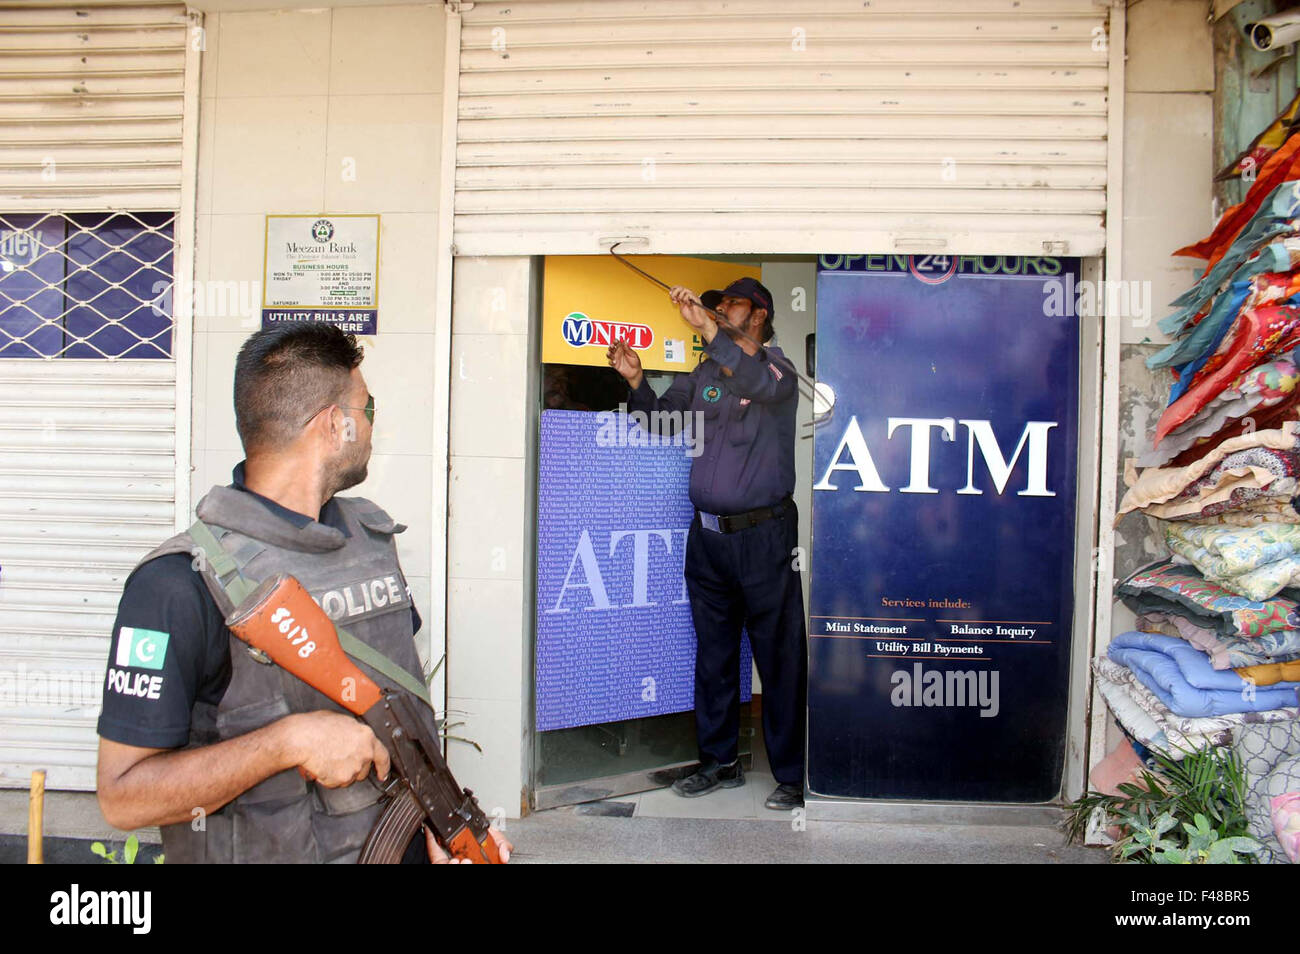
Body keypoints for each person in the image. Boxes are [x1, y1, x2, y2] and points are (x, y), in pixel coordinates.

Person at [95, 321, 510, 864]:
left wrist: (441, 828)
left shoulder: (371, 542)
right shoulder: (178, 583)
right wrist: (286, 742)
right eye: (367, 410)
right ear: (334, 424)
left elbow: (403, 714)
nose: (370, 428)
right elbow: (123, 797)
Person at [606, 277, 808, 809]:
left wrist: (705, 327)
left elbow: (760, 383)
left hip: (765, 539)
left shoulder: (778, 370)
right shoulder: (704, 374)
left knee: (779, 657)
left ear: (759, 313)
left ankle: (792, 774)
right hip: (709, 540)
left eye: (729, 304)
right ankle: (719, 764)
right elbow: (661, 422)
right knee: (714, 657)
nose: (718, 310)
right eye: (715, 305)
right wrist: (636, 381)